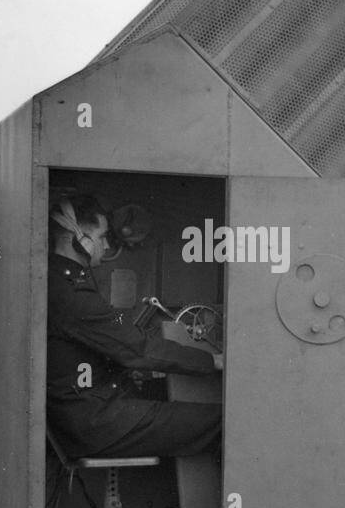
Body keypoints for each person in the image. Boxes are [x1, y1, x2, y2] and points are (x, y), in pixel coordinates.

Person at [46, 194, 222, 458]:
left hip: (89, 415)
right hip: (98, 423)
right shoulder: (71, 293)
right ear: (79, 237)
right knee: (225, 421)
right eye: (102, 236)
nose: (105, 246)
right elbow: (137, 348)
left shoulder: (61, 281)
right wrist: (213, 361)